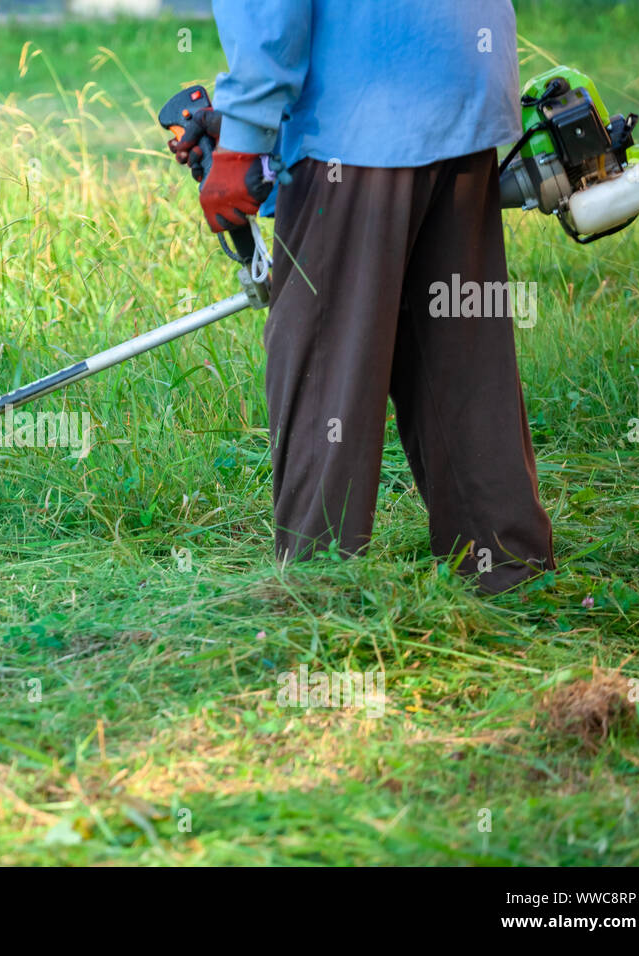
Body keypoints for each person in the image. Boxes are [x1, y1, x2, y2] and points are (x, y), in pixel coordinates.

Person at [170, 0, 555, 592]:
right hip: (463, 87)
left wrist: (243, 139)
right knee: (458, 350)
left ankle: (318, 594)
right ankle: (508, 567)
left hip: (358, 118)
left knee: (327, 360)